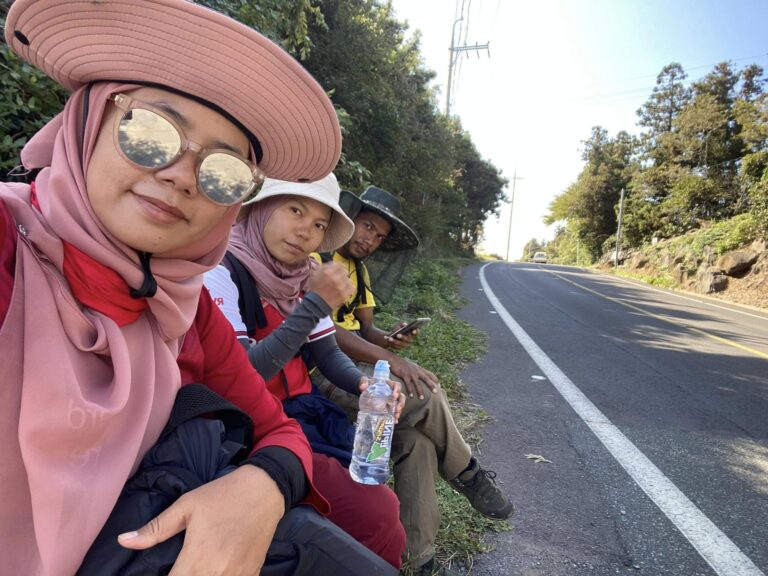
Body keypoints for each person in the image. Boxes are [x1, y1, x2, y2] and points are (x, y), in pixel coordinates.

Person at [0, 1, 393, 574]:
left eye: (223, 170)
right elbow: (263, 371)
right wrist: (315, 307)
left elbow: (299, 391)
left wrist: (264, 485)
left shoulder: (179, 302)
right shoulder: (15, 250)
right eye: (150, 131)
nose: (182, 174)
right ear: (87, 123)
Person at [203, 174, 407, 569]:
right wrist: (315, 303)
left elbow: (328, 355)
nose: (305, 232)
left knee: (376, 505)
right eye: (295, 210)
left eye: (318, 225)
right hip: (252, 431)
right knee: (376, 512)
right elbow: (243, 374)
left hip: (302, 415)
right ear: (260, 209)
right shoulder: (220, 270)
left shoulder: (299, 274)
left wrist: (364, 384)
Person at [312, 186, 515, 575]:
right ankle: (466, 472)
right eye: (367, 226)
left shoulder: (359, 270)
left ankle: (416, 559)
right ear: (350, 217)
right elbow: (325, 331)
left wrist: (389, 340)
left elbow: (365, 328)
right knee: (423, 391)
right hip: (323, 369)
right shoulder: (318, 256)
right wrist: (391, 359)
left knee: (416, 441)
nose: (370, 238)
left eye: (379, 235)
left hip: (360, 366)